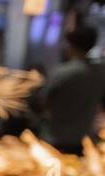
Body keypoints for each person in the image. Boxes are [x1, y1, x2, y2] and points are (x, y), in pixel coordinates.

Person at [36, 25, 105, 155]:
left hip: (54, 140)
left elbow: (42, 101)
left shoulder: (62, 73)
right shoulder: (101, 73)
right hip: (82, 141)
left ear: (71, 46)